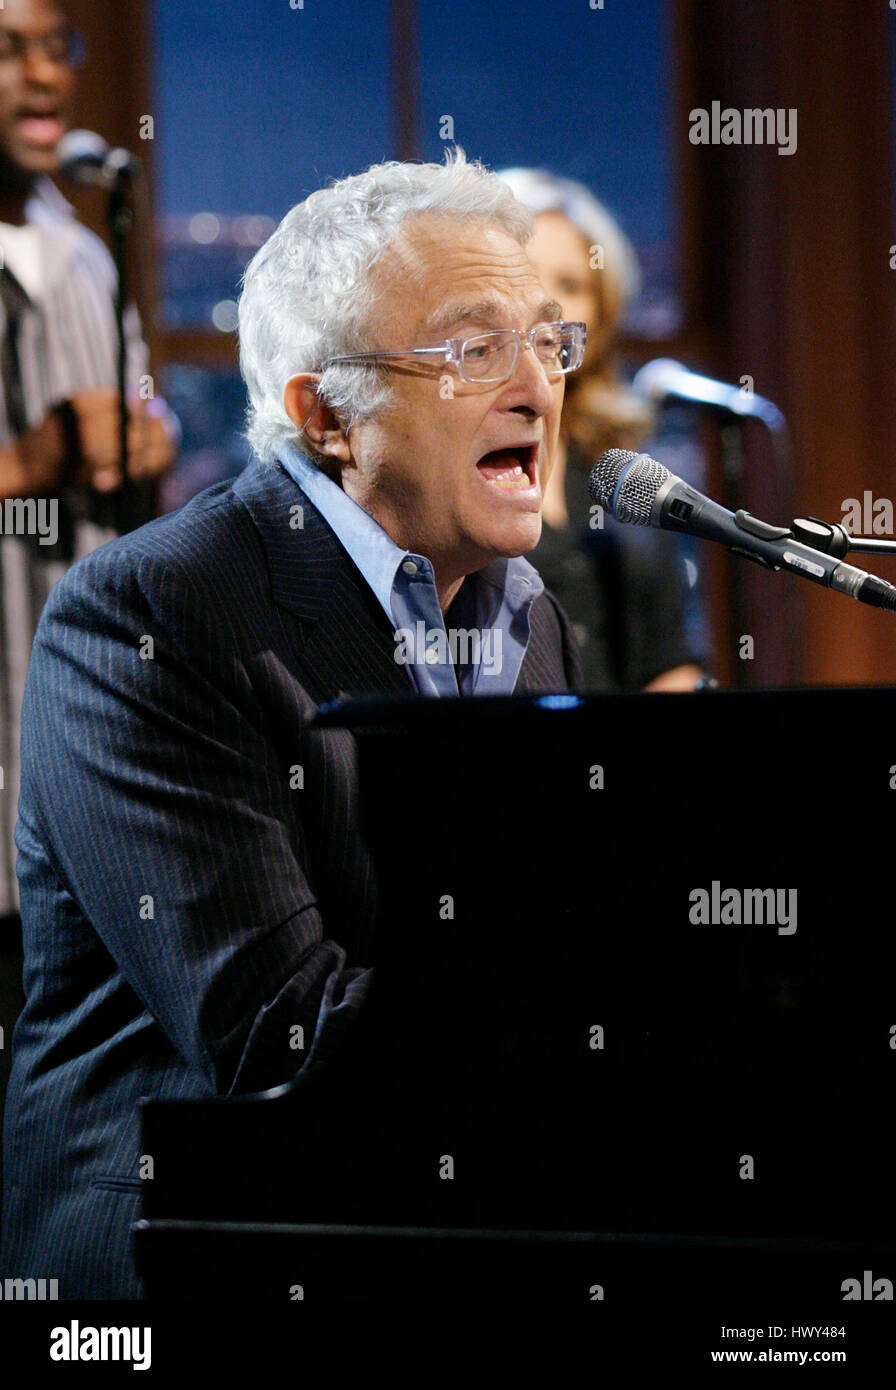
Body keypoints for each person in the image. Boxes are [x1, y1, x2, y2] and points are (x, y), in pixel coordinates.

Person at [1, 150, 584, 1297]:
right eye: (475, 350)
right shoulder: (152, 612)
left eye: (546, 341)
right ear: (326, 415)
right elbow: (282, 1038)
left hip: (425, 1236)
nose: (535, 387)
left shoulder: (531, 619)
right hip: (178, 1269)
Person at [0, 0, 176, 1066]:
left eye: (55, 47)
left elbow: (131, 400)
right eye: (5, 51)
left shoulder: (83, 251)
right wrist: (28, 463)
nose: (43, 77)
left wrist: (140, 437)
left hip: (64, 712)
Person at [497, 167, 705, 692]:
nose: (548, 305)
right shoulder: (467, 458)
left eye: (570, 284)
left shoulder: (620, 466)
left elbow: (668, 658)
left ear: (602, 314)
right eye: (527, 275)